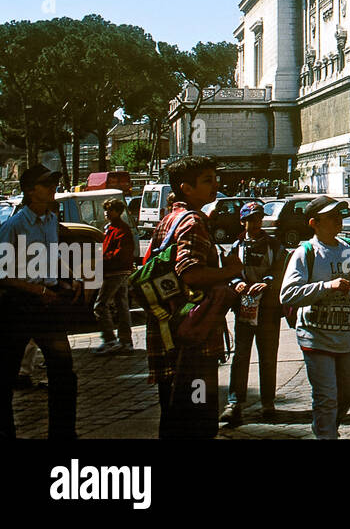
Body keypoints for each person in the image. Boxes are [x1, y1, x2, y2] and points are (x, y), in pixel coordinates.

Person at [145, 156, 244, 440]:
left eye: (214, 179)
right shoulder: (192, 221)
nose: (215, 185)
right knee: (199, 417)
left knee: (174, 412)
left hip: (170, 333)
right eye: (207, 180)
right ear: (186, 188)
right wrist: (229, 271)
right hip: (194, 339)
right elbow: (189, 272)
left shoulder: (169, 219)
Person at [280, 196, 350, 439]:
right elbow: (287, 295)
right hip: (315, 337)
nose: (338, 221)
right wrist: (326, 287)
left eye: (339, 215)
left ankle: (325, 426)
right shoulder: (305, 253)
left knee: (349, 393)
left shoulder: (349, 250)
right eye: (331, 217)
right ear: (314, 223)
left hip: (347, 339)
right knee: (326, 397)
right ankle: (326, 433)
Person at [0, 164, 78, 439]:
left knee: (64, 374)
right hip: (19, 305)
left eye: (53, 183)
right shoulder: (13, 226)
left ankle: (63, 433)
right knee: (8, 373)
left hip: (47, 305)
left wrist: (70, 278)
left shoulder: (49, 221)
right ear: (31, 191)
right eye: (46, 184)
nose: (53, 188)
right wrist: (39, 292)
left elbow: (52, 257)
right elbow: (3, 275)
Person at [221, 202, 284, 426]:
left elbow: (281, 270)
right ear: (242, 222)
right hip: (244, 307)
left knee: (268, 357)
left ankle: (268, 403)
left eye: (258, 219)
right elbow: (229, 271)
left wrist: (266, 283)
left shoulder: (274, 245)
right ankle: (234, 403)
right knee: (241, 356)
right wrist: (237, 283)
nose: (255, 224)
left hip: (268, 309)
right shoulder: (236, 246)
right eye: (251, 220)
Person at [92, 197, 136, 354]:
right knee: (121, 305)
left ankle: (110, 340)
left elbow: (120, 254)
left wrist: (102, 259)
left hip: (117, 271)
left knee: (100, 305)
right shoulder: (109, 228)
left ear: (118, 212)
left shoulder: (121, 230)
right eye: (105, 210)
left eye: (110, 210)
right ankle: (125, 341)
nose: (106, 213)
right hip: (115, 270)